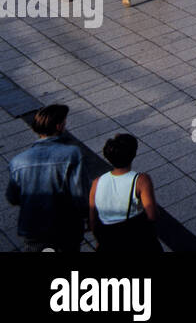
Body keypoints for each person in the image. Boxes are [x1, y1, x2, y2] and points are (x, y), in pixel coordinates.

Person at [5, 104, 90, 251]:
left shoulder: (18, 161)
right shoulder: (71, 154)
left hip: (33, 229)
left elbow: (12, 197)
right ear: (59, 126)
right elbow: (80, 195)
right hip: (65, 228)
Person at [89, 134, 160, 252]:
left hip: (108, 241)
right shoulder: (141, 180)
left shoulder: (97, 182)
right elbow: (152, 215)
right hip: (135, 239)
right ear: (133, 154)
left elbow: (93, 219)